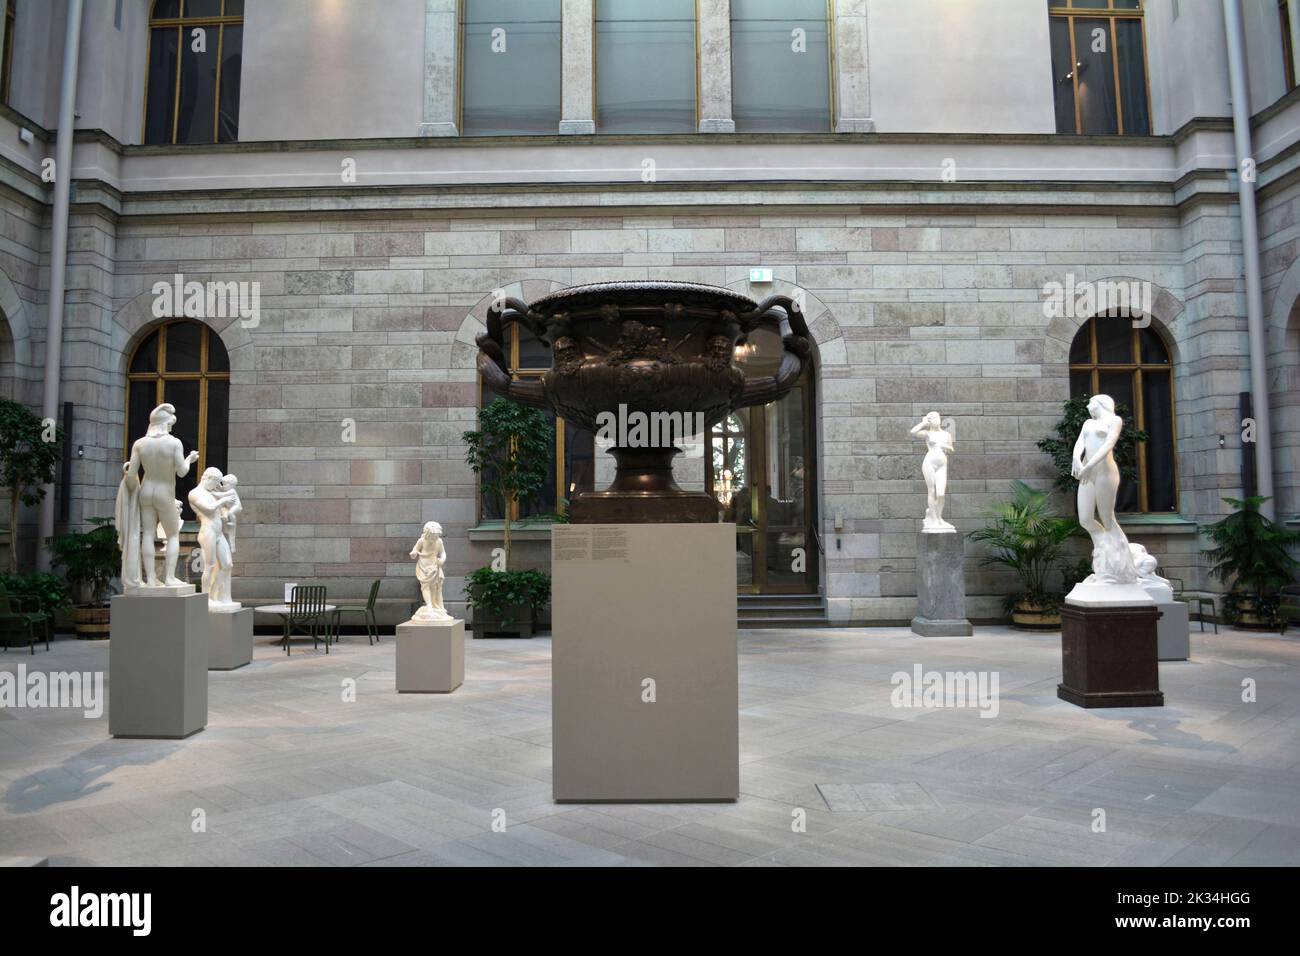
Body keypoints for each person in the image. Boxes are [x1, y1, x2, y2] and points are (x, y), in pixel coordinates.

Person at [115, 403, 199, 590]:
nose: (171, 427)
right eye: (170, 423)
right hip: (164, 492)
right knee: (173, 535)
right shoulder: (174, 443)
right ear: (166, 423)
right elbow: (182, 472)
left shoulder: (140, 444)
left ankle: (151, 579)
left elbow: (131, 475)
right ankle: (169, 578)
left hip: (146, 491)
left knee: (148, 534)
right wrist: (189, 459)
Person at [1071, 394, 1138, 585]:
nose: (1088, 407)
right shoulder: (1088, 423)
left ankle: (1119, 562)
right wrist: (1076, 458)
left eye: (1090, 403)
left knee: (1107, 519)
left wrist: (1089, 465)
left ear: (1101, 403)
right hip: (1087, 473)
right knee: (1085, 519)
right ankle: (1105, 551)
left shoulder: (1114, 421)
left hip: (1105, 473)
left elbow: (1109, 444)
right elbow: (1080, 442)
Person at [188, 467, 240, 608]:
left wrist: (229, 510)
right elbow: (209, 508)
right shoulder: (195, 493)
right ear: (208, 478)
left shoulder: (211, 492)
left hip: (218, 533)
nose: (217, 485)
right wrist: (224, 499)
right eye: (216, 482)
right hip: (208, 532)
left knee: (227, 565)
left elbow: (226, 507)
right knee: (209, 566)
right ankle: (206, 597)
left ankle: (213, 593)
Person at [910, 411, 955, 532]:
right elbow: (913, 432)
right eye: (932, 418)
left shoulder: (946, 434)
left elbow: (951, 449)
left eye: (937, 417)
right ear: (929, 421)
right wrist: (923, 423)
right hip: (929, 463)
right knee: (932, 490)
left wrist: (941, 445)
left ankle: (939, 517)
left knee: (941, 494)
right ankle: (934, 519)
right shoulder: (927, 433)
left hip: (942, 465)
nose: (936, 420)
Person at [410, 521, 451, 622]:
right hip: (423, 566)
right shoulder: (421, 541)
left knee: (437, 587)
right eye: (433, 535)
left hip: (435, 565)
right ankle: (429, 606)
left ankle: (439, 606)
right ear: (427, 534)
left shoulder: (439, 541)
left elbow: (443, 553)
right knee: (425, 586)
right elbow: (414, 551)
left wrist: (442, 560)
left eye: (436, 535)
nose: (435, 538)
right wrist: (414, 553)